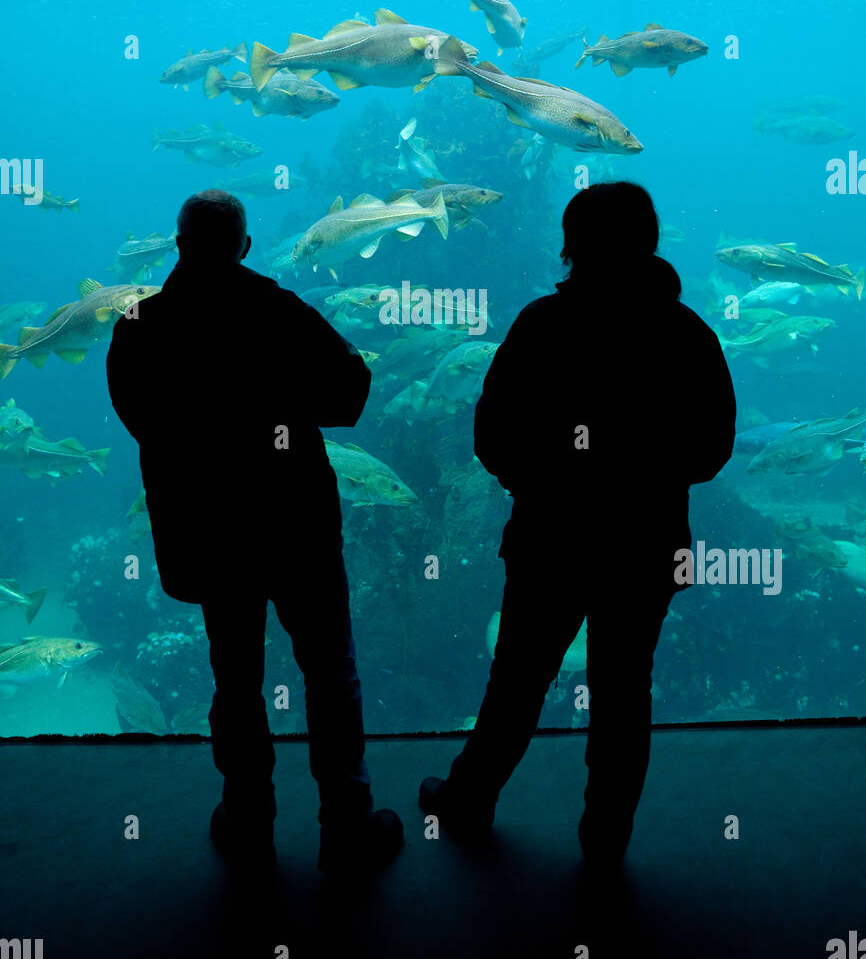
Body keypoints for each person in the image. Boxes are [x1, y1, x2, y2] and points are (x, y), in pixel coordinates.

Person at [420, 181, 736, 865]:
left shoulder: (543, 325)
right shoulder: (687, 334)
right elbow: (711, 452)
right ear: (650, 241)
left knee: (515, 682)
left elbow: (492, 433)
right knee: (625, 694)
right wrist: (645, 475)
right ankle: (605, 841)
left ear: (571, 246)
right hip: (647, 545)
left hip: (550, 539)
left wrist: (543, 485)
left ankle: (467, 800)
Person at [106, 189, 403, 874]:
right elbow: (351, 394)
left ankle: (247, 817)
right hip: (294, 523)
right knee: (331, 675)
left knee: (235, 679)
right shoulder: (278, 309)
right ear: (243, 246)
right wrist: (279, 401)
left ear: (178, 246)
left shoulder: (138, 323)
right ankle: (347, 825)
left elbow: (139, 416)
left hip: (210, 532)